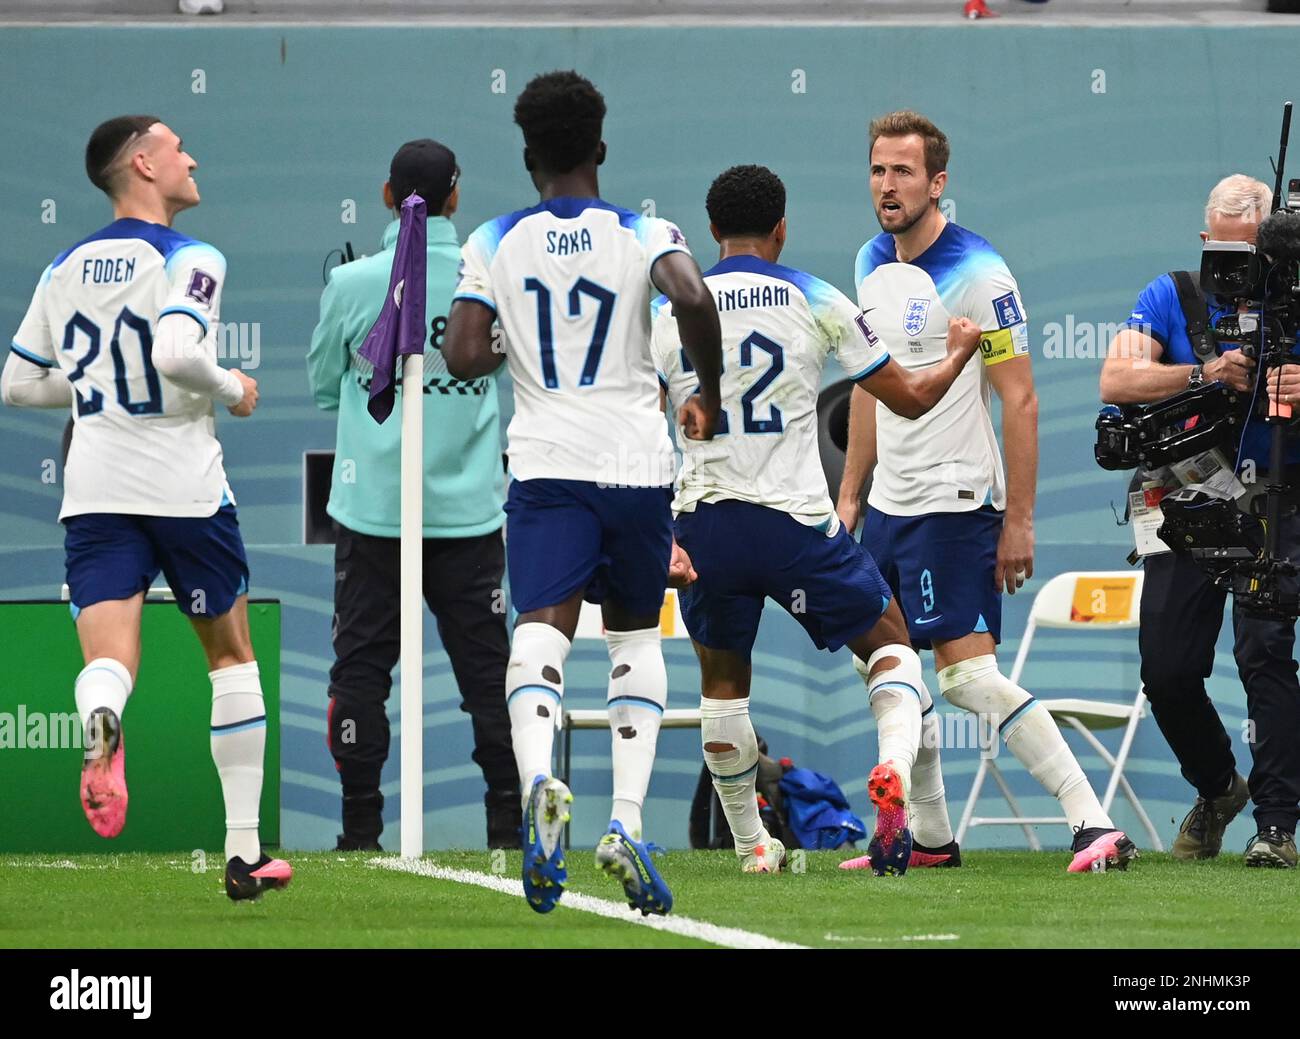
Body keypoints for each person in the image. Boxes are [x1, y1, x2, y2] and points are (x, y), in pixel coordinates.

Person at [443, 71, 723, 914]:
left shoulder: (492, 240)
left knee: (540, 634)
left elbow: (460, 354)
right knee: (636, 641)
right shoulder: (646, 230)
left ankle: (540, 783)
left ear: (528, 155)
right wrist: (707, 379)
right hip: (636, 468)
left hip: (545, 467)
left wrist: (510, 344)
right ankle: (628, 822)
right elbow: (692, 294)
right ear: (601, 148)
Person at [653, 165, 984, 876]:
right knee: (892, 644)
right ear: (781, 229)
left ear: (712, 231)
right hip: (795, 522)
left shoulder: (671, 308)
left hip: (705, 522)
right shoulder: (818, 297)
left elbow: (649, 417)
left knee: (721, 682)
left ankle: (751, 848)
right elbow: (913, 398)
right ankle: (891, 769)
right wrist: (959, 350)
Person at [0, 115, 290, 900]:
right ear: (142, 163)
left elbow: (18, 384)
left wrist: (95, 388)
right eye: (177, 147)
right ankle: (241, 852)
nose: (192, 157)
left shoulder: (64, 264)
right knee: (229, 657)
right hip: (184, 486)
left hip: (93, 486)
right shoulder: (193, 257)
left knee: (108, 658)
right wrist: (233, 387)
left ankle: (102, 721)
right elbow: (174, 353)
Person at [837, 110, 1135, 872]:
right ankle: (928, 837)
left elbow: (1022, 400)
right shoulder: (870, 260)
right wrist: (850, 495)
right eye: (878, 169)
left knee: (967, 677)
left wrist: (1019, 523)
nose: (887, 185)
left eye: (903, 171)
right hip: (890, 508)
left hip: (958, 502)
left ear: (938, 183)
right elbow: (871, 391)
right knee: (894, 671)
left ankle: (1091, 820)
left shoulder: (982, 275)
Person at [306, 139, 520, 852]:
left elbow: (318, 385)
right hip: (466, 515)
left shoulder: (353, 283)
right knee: (491, 678)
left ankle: (359, 832)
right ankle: (508, 836)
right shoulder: (487, 278)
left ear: (387, 196)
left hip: (372, 515)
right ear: (455, 196)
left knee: (360, 671)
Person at [1100, 174, 1298, 868]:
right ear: (1202, 240)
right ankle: (1218, 787)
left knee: (1263, 652)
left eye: (1250, 252)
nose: (1235, 269)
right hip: (1187, 498)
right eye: (1222, 250)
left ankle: (1276, 826)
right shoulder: (1174, 294)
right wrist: (1204, 373)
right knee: (1169, 670)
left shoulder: (1295, 304)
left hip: (1280, 498)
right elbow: (1116, 381)